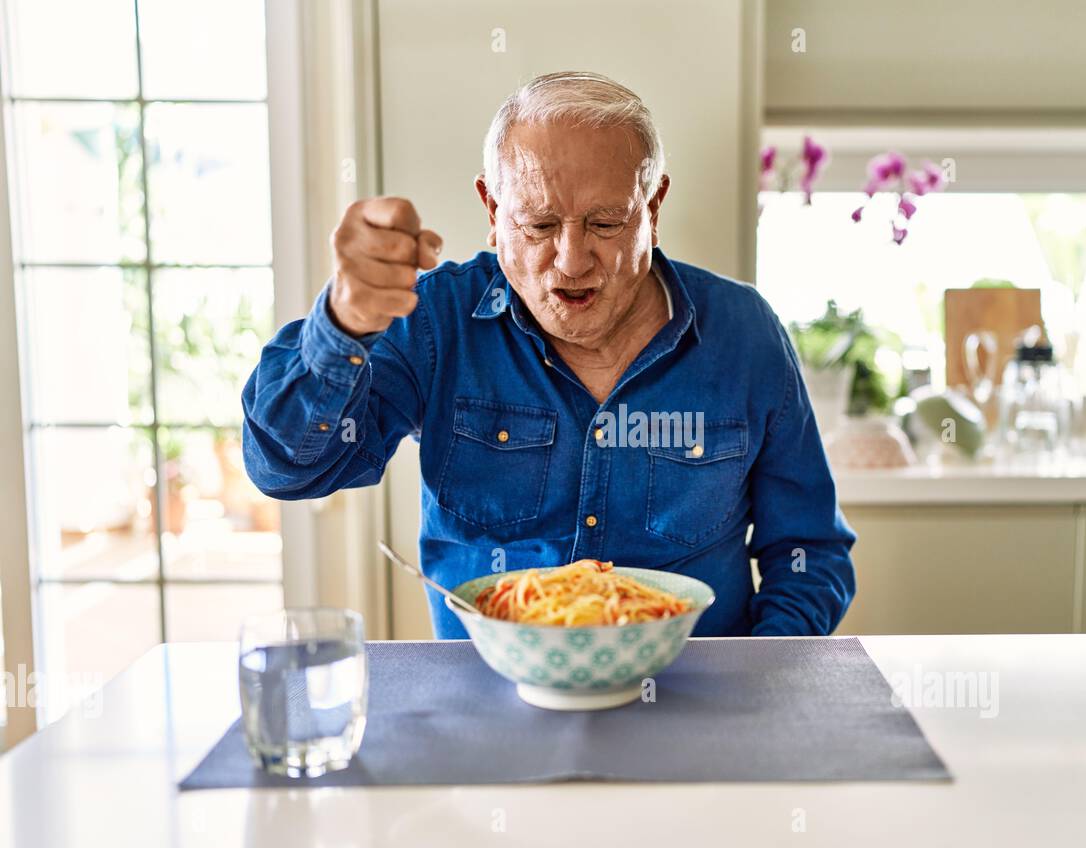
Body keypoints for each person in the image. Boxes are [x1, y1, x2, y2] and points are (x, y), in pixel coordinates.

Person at [243, 71, 855, 638]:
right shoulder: (433, 320)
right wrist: (342, 325)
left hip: (692, 707)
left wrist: (755, 680)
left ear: (654, 207)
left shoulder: (745, 333)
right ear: (491, 209)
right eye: (537, 225)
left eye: (607, 223)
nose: (570, 261)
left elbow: (808, 551)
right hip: (488, 712)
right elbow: (288, 467)